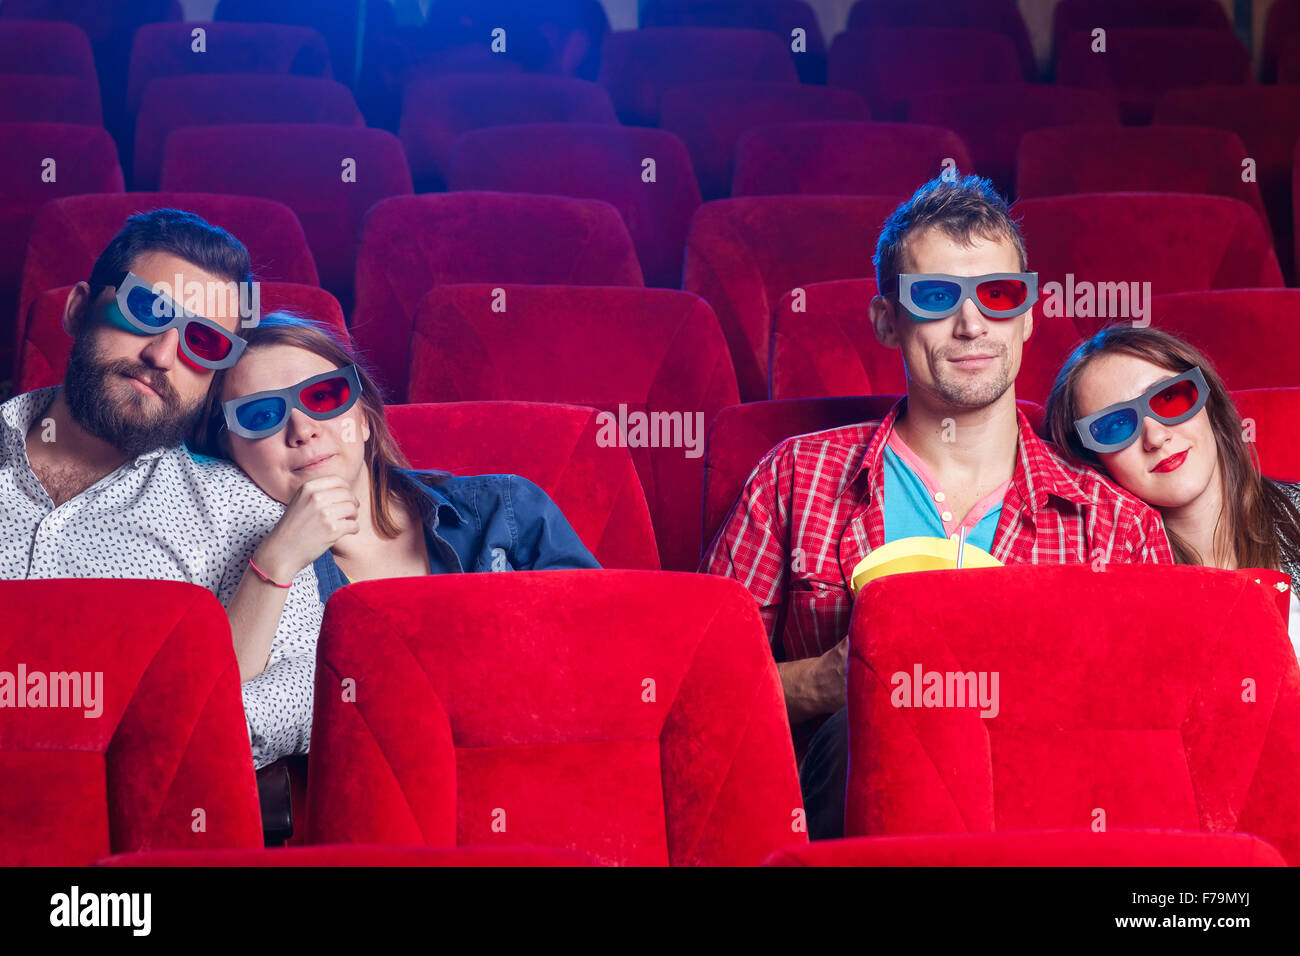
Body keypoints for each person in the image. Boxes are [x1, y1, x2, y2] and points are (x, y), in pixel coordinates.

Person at [701, 176, 1174, 839]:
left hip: (1043, 828)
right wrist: (825, 681)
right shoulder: (794, 476)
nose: (972, 324)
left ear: (1029, 315)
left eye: (999, 295)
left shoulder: (1116, 523)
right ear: (886, 321)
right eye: (934, 298)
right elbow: (699, 690)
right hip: (848, 821)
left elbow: (1163, 731)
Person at [190, 311, 601, 764]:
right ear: (228, 450)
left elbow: (603, 658)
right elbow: (210, 732)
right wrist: (277, 560)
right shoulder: (235, 559)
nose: (303, 428)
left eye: (324, 396)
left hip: (543, 770)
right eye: (261, 414)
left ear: (364, 419)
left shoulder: (507, 510)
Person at [0, 209, 324, 770]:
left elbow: (307, 686)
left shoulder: (239, 513)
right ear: (79, 310)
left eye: (203, 342)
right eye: (145, 311)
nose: (162, 356)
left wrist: (149, 729)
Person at [1045, 324, 1300, 652]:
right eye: (1114, 425)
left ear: (1208, 402)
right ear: (1092, 460)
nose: (1155, 437)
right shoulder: (1109, 585)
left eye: (1168, 398)